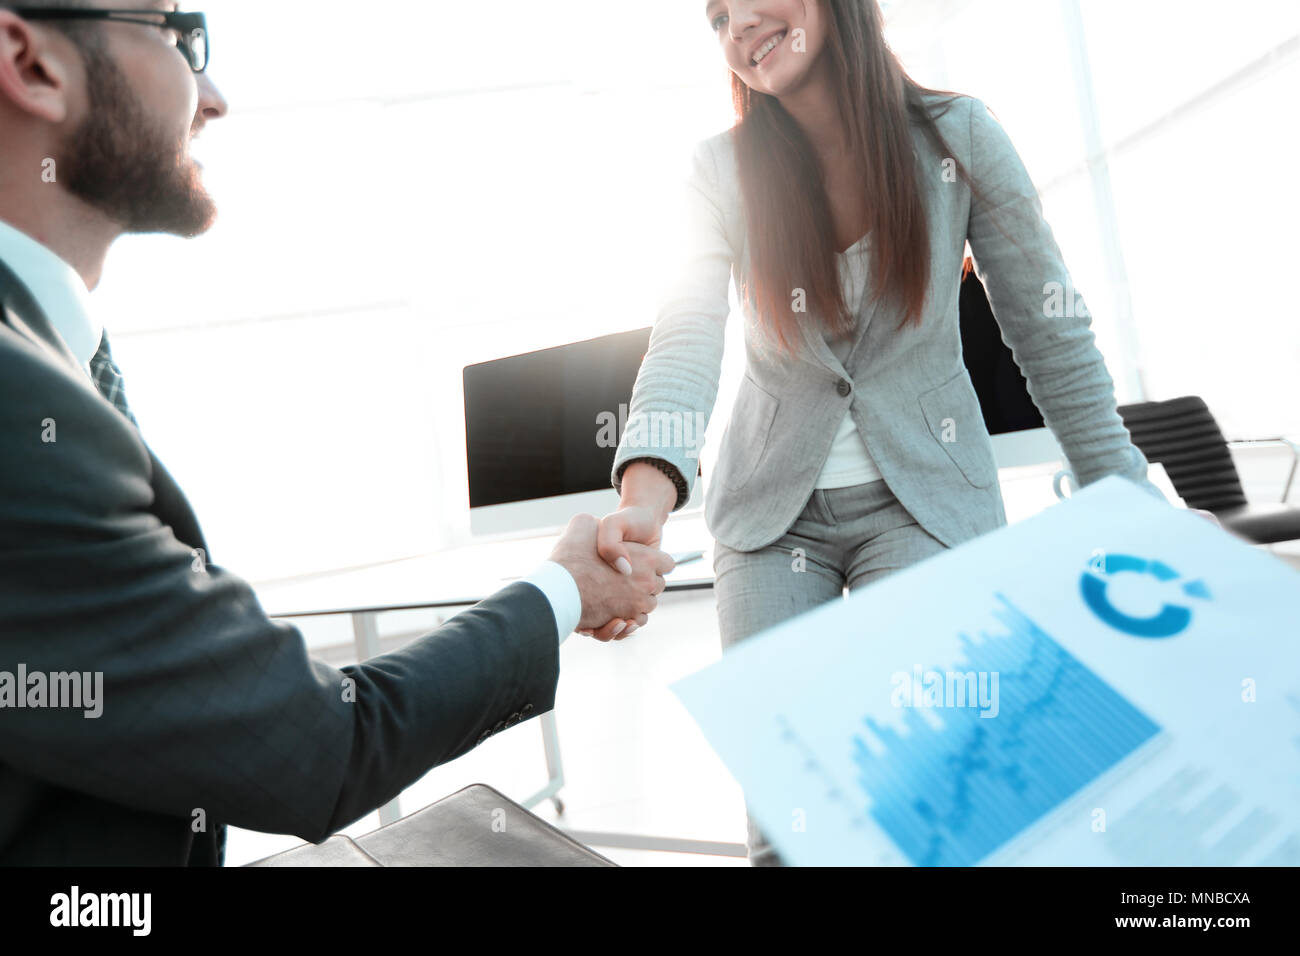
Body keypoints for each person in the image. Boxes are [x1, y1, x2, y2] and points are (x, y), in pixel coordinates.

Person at [0, 2, 673, 865]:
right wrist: (565, 588)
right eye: (178, 36)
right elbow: (319, 744)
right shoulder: (22, 416)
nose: (213, 95)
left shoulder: (51, 353)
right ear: (31, 61)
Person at [594, 0, 1175, 864]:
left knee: (929, 798)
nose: (738, 25)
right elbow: (684, 335)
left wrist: (1127, 499)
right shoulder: (720, 170)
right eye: (716, 18)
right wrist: (645, 500)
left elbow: (1049, 332)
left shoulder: (958, 137)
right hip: (768, 519)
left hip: (926, 505)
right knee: (787, 830)